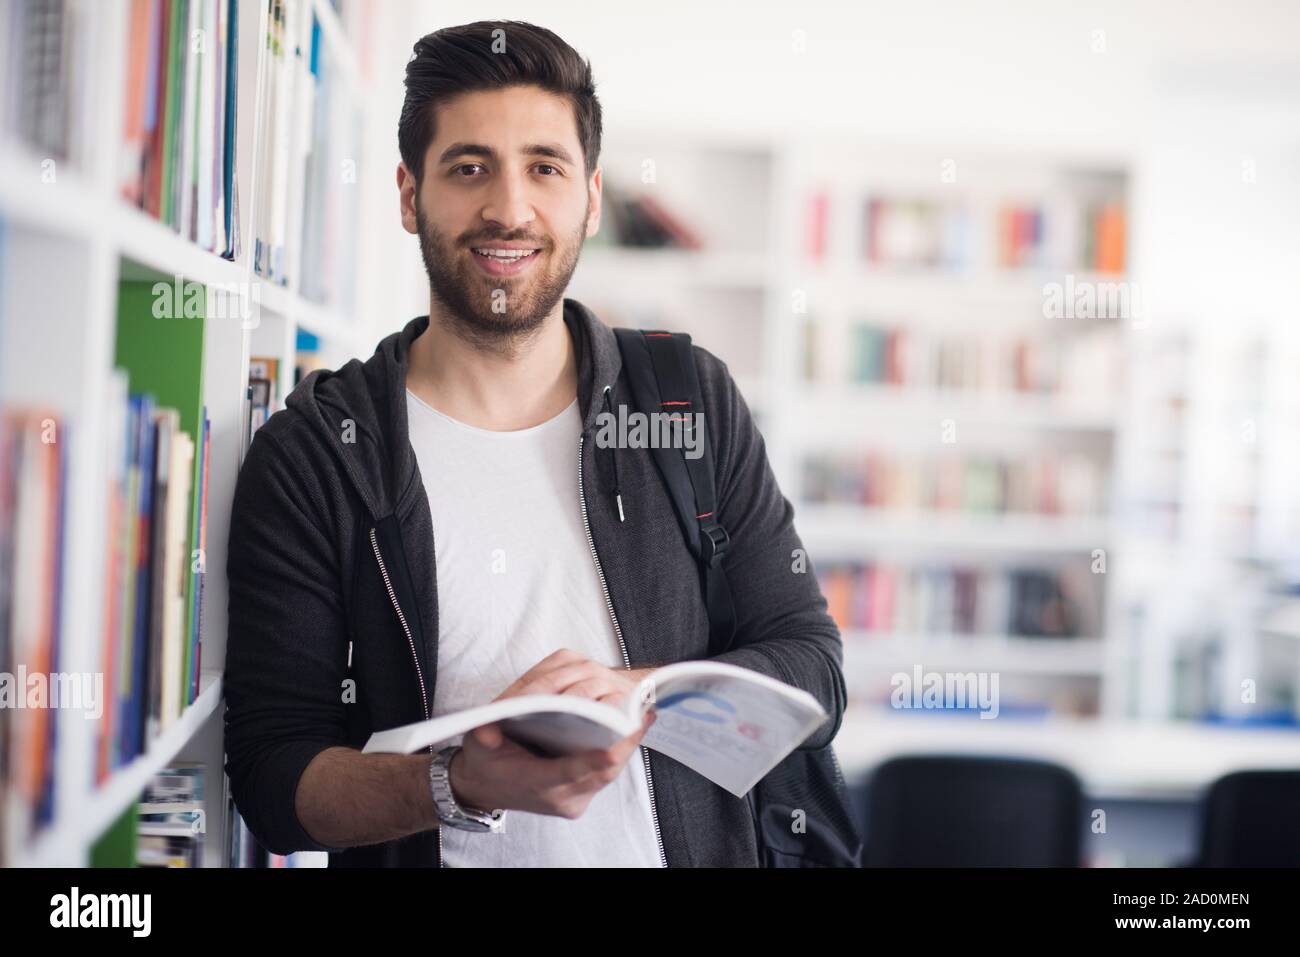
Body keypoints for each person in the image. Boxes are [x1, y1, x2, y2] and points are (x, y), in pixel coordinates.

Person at [223, 19, 845, 867]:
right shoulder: (318, 453)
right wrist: (454, 782)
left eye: (544, 168)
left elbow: (813, 667)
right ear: (410, 196)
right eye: (469, 167)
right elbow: (273, 778)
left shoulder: (688, 398)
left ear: (590, 196)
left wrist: (635, 696)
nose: (509, 208)